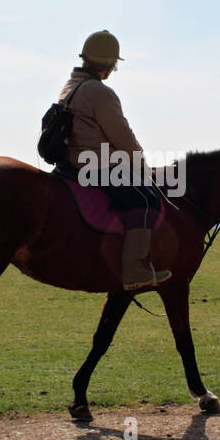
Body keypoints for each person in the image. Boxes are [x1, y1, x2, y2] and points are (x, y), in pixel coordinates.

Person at [56, 30, 170, 291]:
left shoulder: (70, 86)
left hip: (68, 164)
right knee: (144, 199)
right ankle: (134, 270)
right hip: (93, 166)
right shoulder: (101, 92)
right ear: (109, 65)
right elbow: (122, 137)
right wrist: (143, 165)